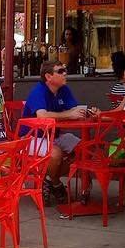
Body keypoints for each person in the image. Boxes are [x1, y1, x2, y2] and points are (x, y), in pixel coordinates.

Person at [22, 59, 95, 203]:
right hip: (32, 137)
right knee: (56, 154)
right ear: (48, 77)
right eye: (60, 71)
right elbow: (42, 116)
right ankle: (55, 183)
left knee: (87, 149)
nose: (65, 74)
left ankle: (49, 180)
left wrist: (87, 111)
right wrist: (69, 114)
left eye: (65, 70)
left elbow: (73, 109)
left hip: (54, 134)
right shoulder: (38, 91)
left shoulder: (63, 89)